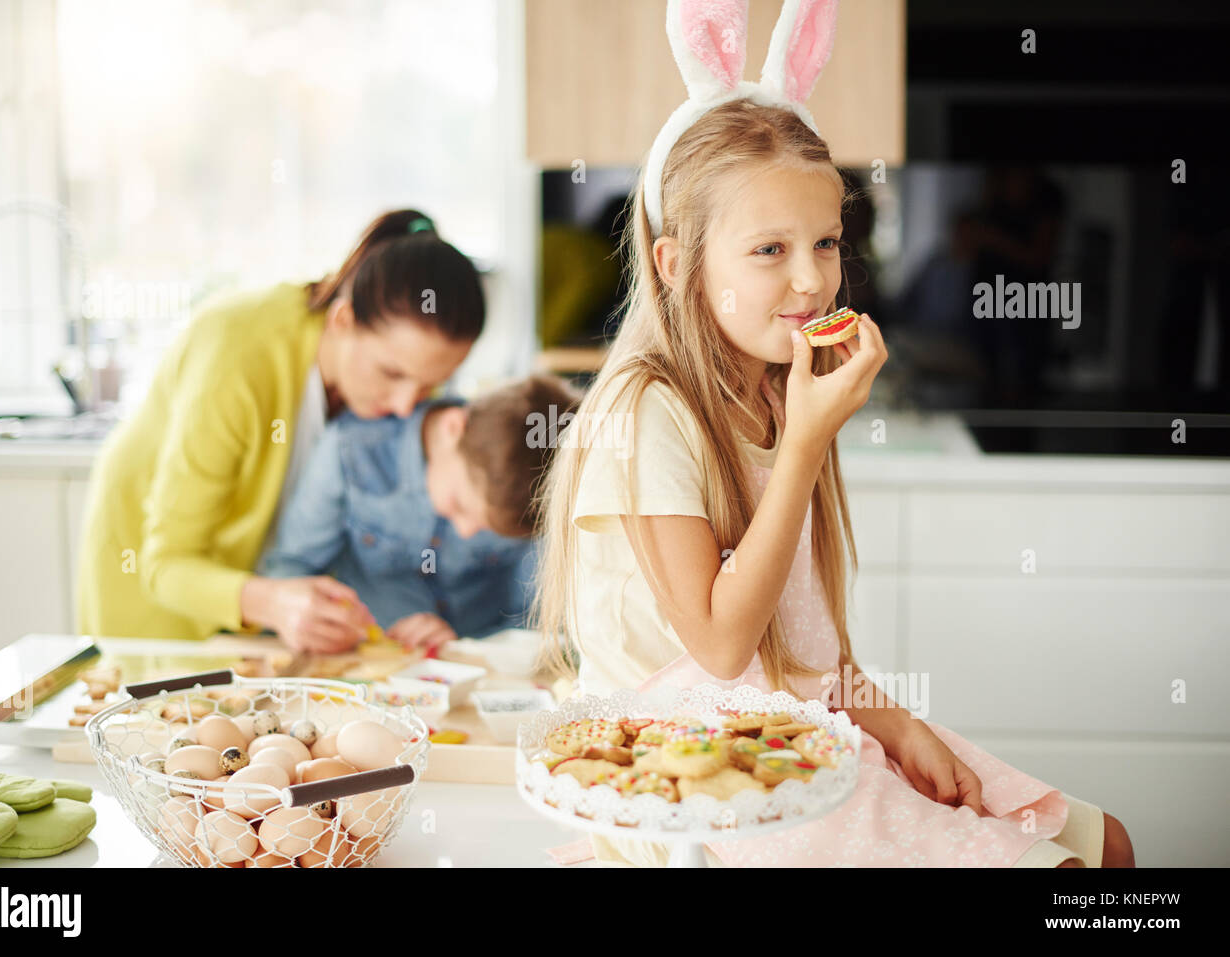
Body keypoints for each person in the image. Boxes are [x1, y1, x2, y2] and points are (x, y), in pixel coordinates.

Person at [530, 1, 1133, 869]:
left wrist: (893, 720)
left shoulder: (777, 393)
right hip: (684, 764)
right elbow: (723, 643)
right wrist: (808, 443)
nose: (812, 278)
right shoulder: (645, 412)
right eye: (768, 250)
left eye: (826, 241)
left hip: (791, 720)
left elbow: (805, 642)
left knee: (1104, 846)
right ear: (676, 263)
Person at [77, 209, 485, 652]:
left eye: (429, 385)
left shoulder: (396, 394)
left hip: (260, 603)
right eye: (391, 373)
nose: (407, 406)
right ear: (342, 322)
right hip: (154, 577)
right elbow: (167, 566)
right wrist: (272, 602)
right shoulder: (238, 354)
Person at [258, 374, 582, 652]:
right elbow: (289, 570)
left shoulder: (542, 487)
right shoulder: (350, 451)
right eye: (461, 504)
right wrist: (317, 617)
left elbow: (538, 625)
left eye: (489, 529)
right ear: (453, 428)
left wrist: (466, 648)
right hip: (369, 669)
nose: (468, 531)